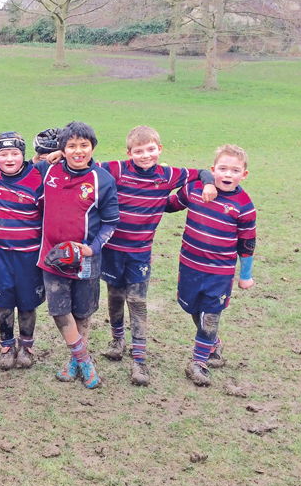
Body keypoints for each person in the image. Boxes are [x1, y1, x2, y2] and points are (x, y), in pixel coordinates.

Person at [78, 126, 216, 386]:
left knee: (137, 301)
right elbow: (86, 166)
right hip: (112, 249)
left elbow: (200, 173)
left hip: (140, 253)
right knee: (115, 296)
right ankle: (117, 341)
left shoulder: (168, 175)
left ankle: (139, 359)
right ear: (129, 153)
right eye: (139, 151)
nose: (145, 155)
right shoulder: (117, 169)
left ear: (160, 149)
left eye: (151, 149)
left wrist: (208, 184)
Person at [165, 144, 256, 387]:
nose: (228, 174)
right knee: (194, 309)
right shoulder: (195, 189)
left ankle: (199, 362)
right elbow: (170, 204)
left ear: (244, 174)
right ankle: (213, 343)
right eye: (223, 169)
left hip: (219, 273)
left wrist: (245, 275)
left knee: (211, 315)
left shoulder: (244, 206)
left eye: (235, 170)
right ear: (213, 170)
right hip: (190, 266)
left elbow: (247, 244)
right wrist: (147, 191)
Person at [38, 122, 119, 389]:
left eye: (84, 145)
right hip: (52, 257)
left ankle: (74, 361)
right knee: (60, 312)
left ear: (92, 147)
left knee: (83, 312)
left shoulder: (102, 180)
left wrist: (92, 248)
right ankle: (84, 360)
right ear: (62, 149)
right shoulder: (48, 170)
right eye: (71, 146)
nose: (78, 151)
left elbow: (110, 222)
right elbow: (16, 169)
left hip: (86, 259)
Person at [0, 132, 48, 371]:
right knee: (3, 301)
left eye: (15, 153)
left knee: (28, 302)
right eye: (3, 154)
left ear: (23, 155)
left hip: (29, 255)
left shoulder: (37, 177)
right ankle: (6, 346)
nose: (9, 159)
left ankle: (26, 346)